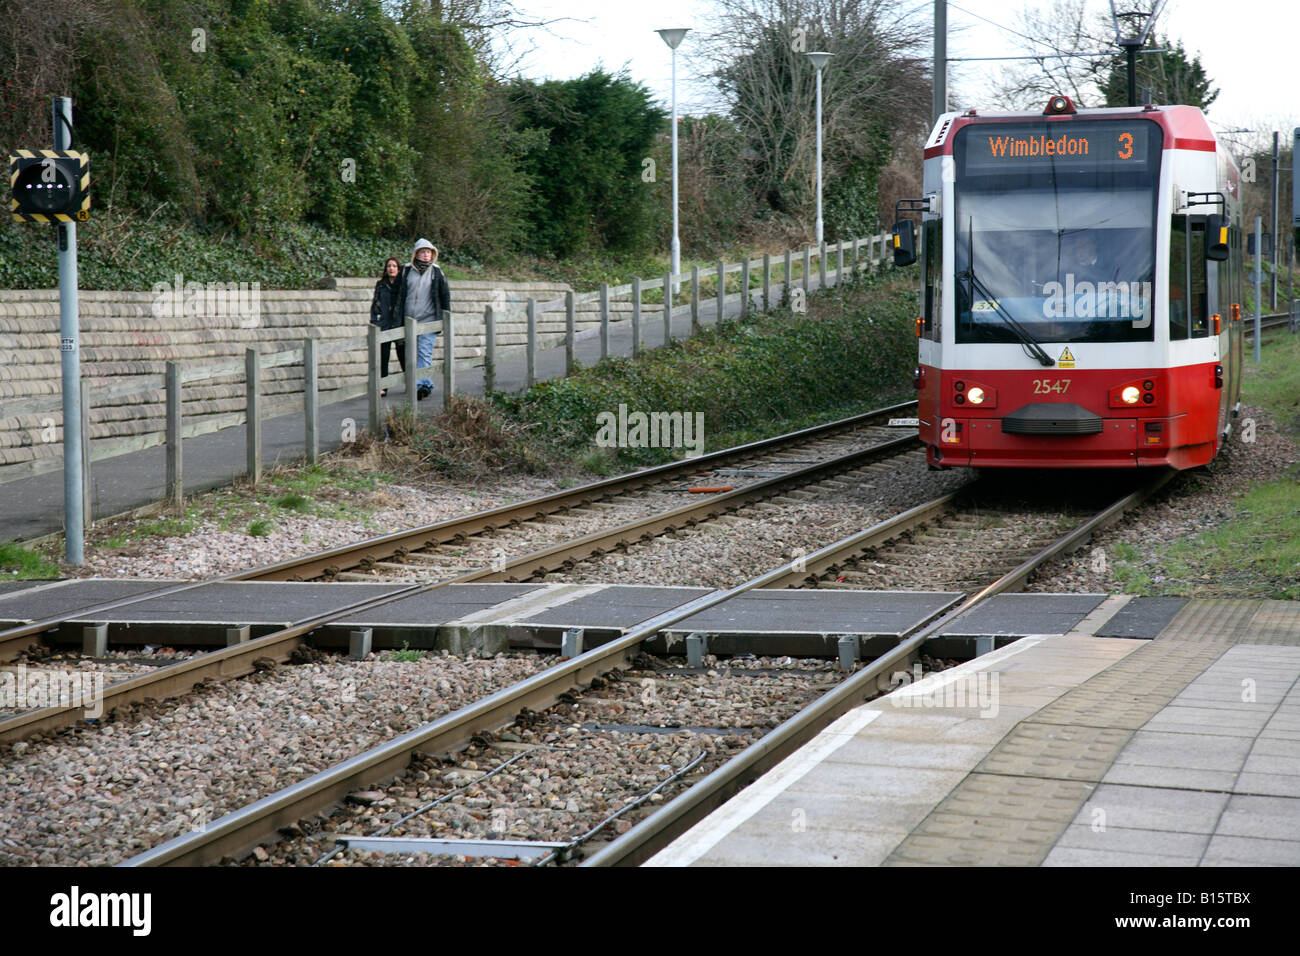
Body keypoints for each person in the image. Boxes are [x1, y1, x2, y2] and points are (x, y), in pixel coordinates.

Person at [398, 238, 450, 400]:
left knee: (424, 352)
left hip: (429, 319)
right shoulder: (405, 271)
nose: (426, 255)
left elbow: (444, 295)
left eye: (429, 252)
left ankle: (422, 385)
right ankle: (422, 383)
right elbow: (398, 294)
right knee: (410, 354)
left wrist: (444, 318)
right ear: (416, 254)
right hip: (408, 319)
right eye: (423, 252)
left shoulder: (436, 272)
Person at [370, 256, 404, 397]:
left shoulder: (403, 284)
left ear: (398, 268)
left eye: (394, 266)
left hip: (398, 324)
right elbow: (376, 303)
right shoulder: (381, 284)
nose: (391, 268)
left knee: (403, 355)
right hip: (384, 324)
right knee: (383, 357)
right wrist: (375, 320)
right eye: (389, 266)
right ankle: (383, 387)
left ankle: (412, 382)